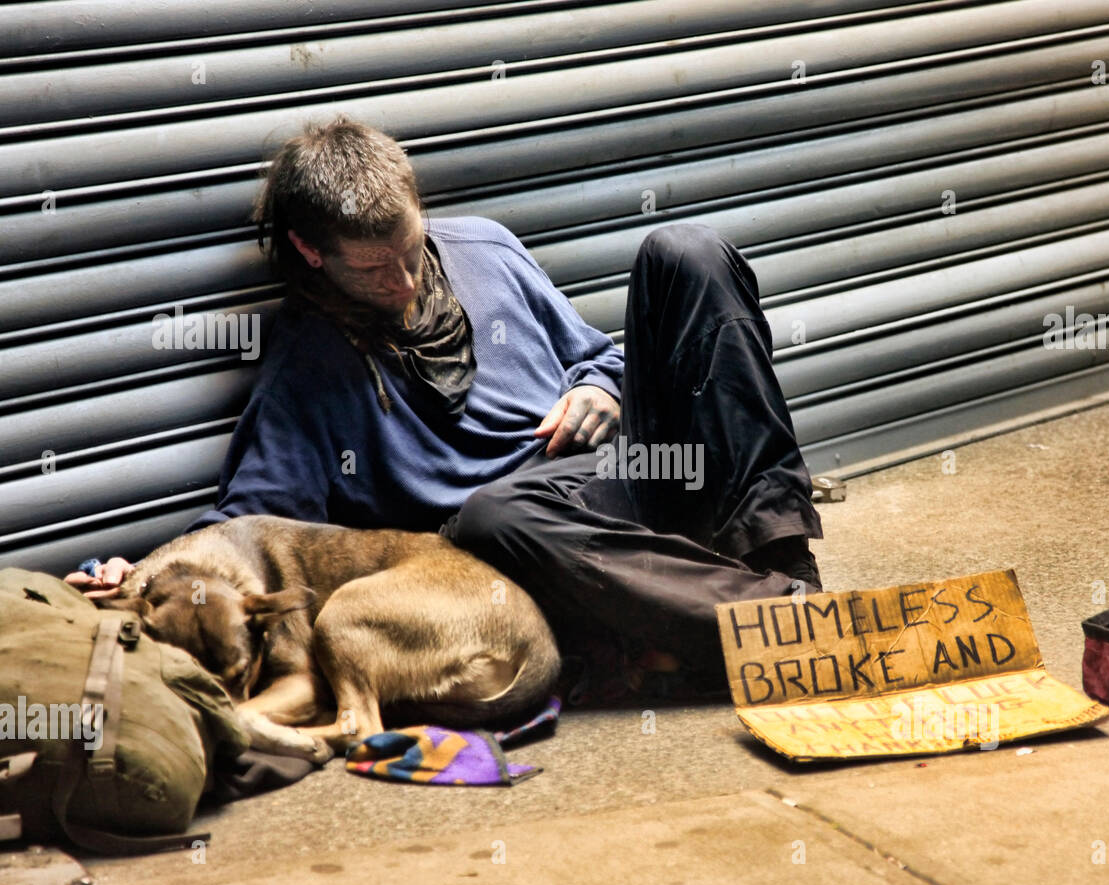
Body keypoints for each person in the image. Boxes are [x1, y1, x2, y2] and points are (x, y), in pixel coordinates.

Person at [65, 115, 824, 692]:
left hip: (626, 483)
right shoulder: (306, 364)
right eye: (373, 269)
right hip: (525, 560)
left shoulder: (486, 247)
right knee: (496, 513)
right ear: (310, 251)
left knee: (686, 253)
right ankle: (770, 626)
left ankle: (787, 570)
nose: (403, 281)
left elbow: (601, 353)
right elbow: (249, 526)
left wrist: (598, 386)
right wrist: (131, 572)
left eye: (409, 250)